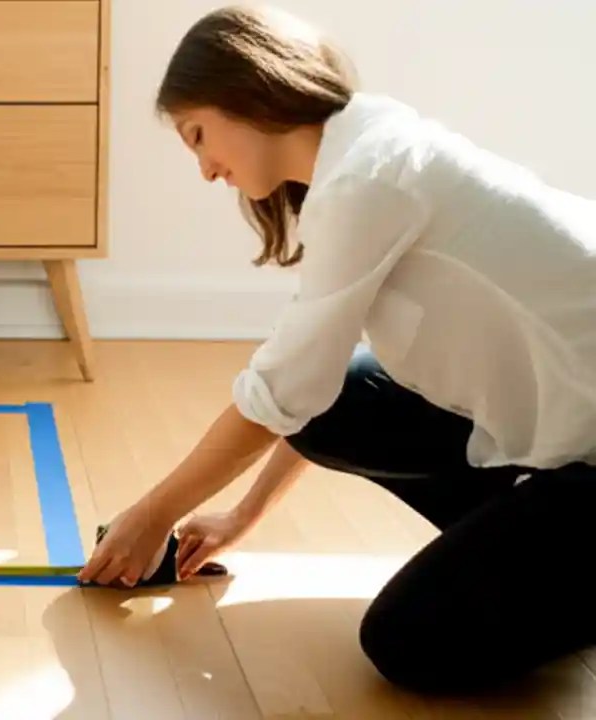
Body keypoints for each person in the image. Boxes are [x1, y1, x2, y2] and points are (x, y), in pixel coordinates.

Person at [77, 4, 596, 695]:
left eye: (199, 137)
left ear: (249, 91)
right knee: (346, 395)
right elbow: (309, 383)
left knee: (407, 643)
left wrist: (153, 515)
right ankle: (541, 561)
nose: (205, 170)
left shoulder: (368, 178)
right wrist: (238, 516)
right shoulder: (363, 152)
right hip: (563, 437)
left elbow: (282, 388)